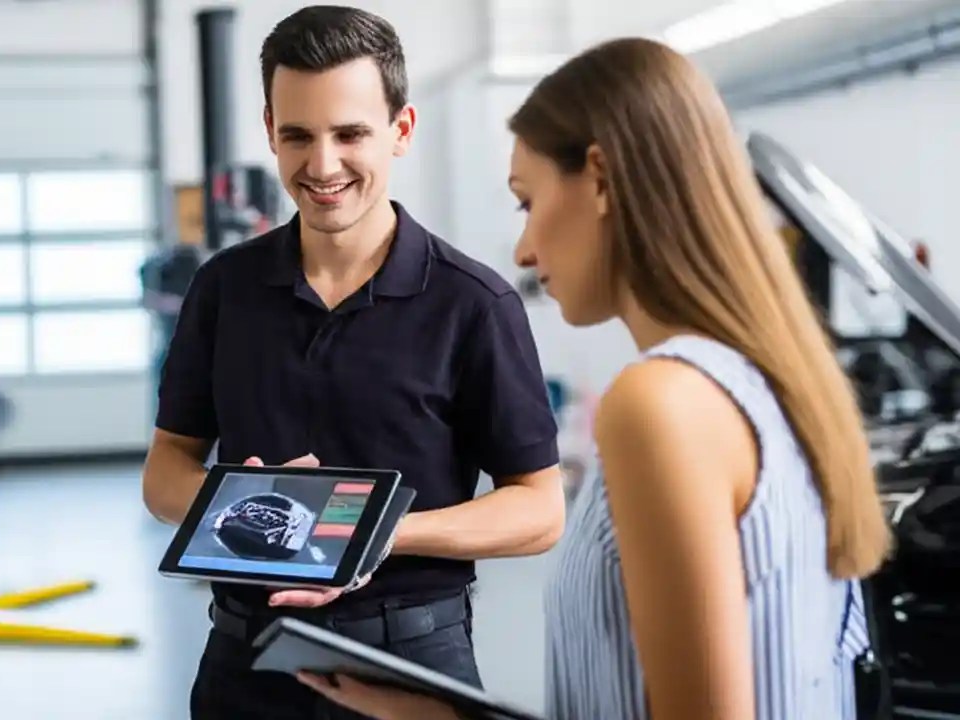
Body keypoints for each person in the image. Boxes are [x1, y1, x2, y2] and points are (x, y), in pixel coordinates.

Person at [300, 36, 891, 720]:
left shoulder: (659, 405)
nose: (523, 248)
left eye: (527, 202)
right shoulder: (766, 385)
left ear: (601, 179)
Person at [141, 5, 566, 719]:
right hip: (247, 663)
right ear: (270, 131)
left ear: (400, 131)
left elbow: (540, 508)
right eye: (299, 135)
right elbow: (165, 477)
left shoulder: (473, 304)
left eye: (350, 134)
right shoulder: (224, 289)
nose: (323, 165)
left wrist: (361, 532)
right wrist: (256, 510)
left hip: (410, 662)